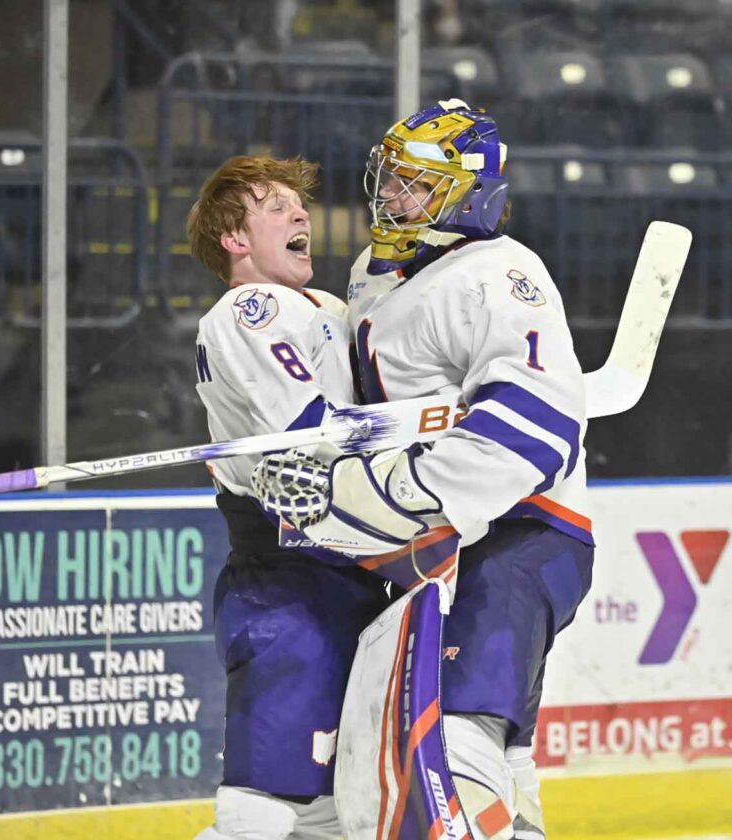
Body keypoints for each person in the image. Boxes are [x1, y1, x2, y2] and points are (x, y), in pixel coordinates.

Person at [255, 99, 594, 838]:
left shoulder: (499, 273)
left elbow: (538, 429)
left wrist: (393, 493)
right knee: (503, 764)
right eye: (392, 178)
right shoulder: (376, 274)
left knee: (453, 749)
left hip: (518, 540)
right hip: (440, 552)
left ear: (471, 196)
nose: (393, 198)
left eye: (418, 185)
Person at [186, 154, 390, 840]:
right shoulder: (249, 308)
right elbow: (307, 430)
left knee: (330, 810)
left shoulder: (326, 309)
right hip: (287, 585)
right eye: (274, 207)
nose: (299, 214)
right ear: (234, 240)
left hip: (347, 579)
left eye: (297, 205)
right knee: (262, 805)